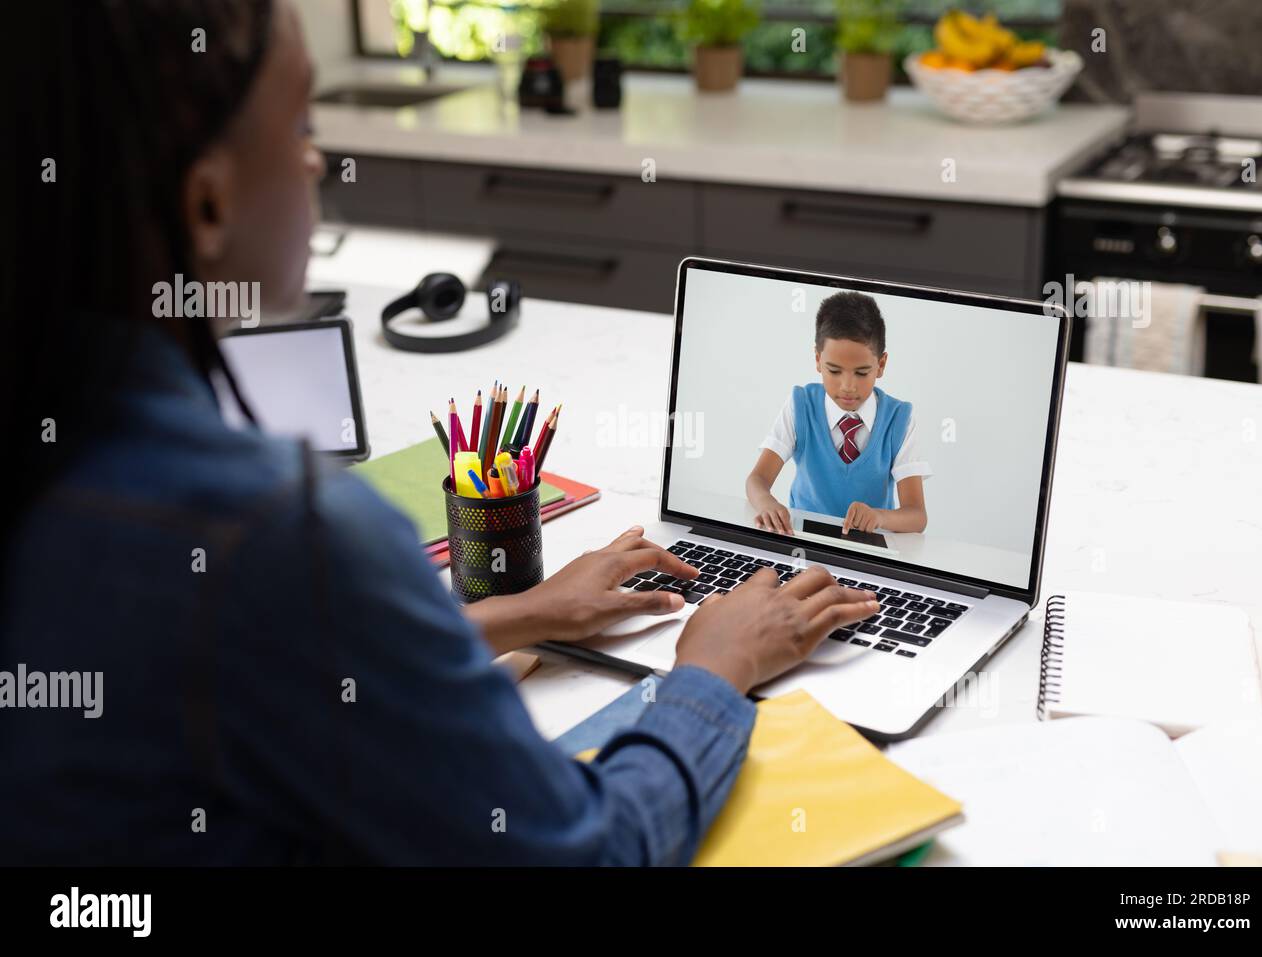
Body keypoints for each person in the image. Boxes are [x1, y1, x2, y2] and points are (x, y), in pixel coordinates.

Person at [0, 0, 880, 865]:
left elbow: (269, 674)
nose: (317, 158)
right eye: (301, 125)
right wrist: (712, 672)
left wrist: (521, 613)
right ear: (208, 205)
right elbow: (588, 851)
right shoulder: (276, 537)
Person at [746, 292, 932, 537]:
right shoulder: (800, 404)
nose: (847, 386)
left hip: (869, 548)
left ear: (881, 365)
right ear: (817, 360)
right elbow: (757, 480)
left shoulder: (900, 419)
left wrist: (879, 516)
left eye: (862, 372)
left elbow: (917, 516)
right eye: (834, 371)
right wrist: (766, 503)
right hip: (803, 540)